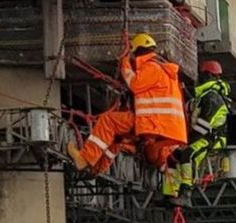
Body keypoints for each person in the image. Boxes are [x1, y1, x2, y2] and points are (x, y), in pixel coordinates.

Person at [67, 33, 187, 174]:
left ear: (137, 52)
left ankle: (85, 158)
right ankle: (98, 167)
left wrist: (125, 62)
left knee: (108, 121)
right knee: (118, 136)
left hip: (152, 124)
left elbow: (135, 84)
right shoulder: (166, 72)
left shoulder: (152, 67)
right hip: (160, 126)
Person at [172, 60, 231, 198]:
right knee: (175, 156)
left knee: (189, 154)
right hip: (203, 135)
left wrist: (187, 142)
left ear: (207, 76)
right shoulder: (205, 97)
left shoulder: (212, 99)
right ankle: (173, 191)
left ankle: (186, 189)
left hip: (211, 138)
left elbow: (202, 126)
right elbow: (191, 107)